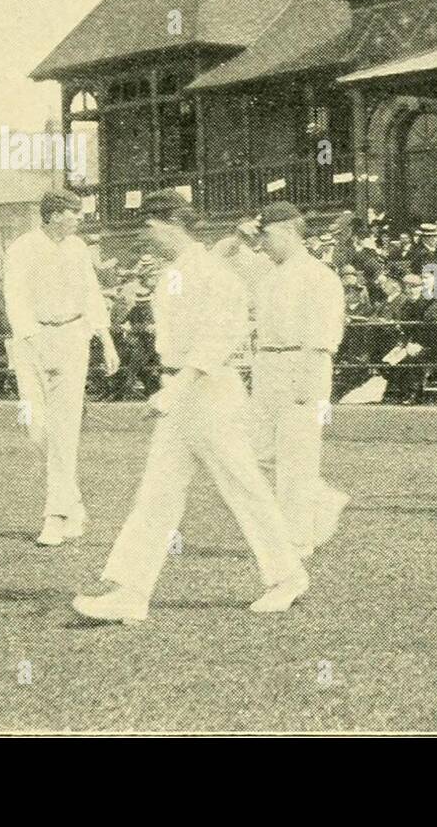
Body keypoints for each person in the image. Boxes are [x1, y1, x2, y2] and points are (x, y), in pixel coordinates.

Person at [72, 190, 308, 623]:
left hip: (210, 393)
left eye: (149, 224)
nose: (144, 233)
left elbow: (222, 336)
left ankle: (287, 576)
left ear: (170, 224)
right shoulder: (180, 271)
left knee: (243, 487)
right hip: (185, 392)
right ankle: (131, 591)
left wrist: (175, 389)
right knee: (157, 493)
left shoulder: (209, 273)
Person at [3, 190, 119, 546]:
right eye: (73, 213)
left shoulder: (78, 248)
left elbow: (91, 294)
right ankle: (74, 503)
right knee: (35, 426)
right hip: (31, 342)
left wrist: (106, 339)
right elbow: (14, 295)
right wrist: (32, 338)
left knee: (65, 428)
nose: (79, 219)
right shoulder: (22, 248)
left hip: (71, 339)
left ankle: (55, 515)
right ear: (54, 215)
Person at [235, 201, 350, 558]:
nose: (262, 243)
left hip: (303, 366)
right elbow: (225, 262)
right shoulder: (266, 273)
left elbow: (325, 335)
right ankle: (324, 499)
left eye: (266, 234)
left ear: (287, 231)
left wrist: (308, 383)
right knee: (255, 454)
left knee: (297, 456)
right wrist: (242, 235)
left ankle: (298, 538)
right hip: (267, 367)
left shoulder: (319, 275)